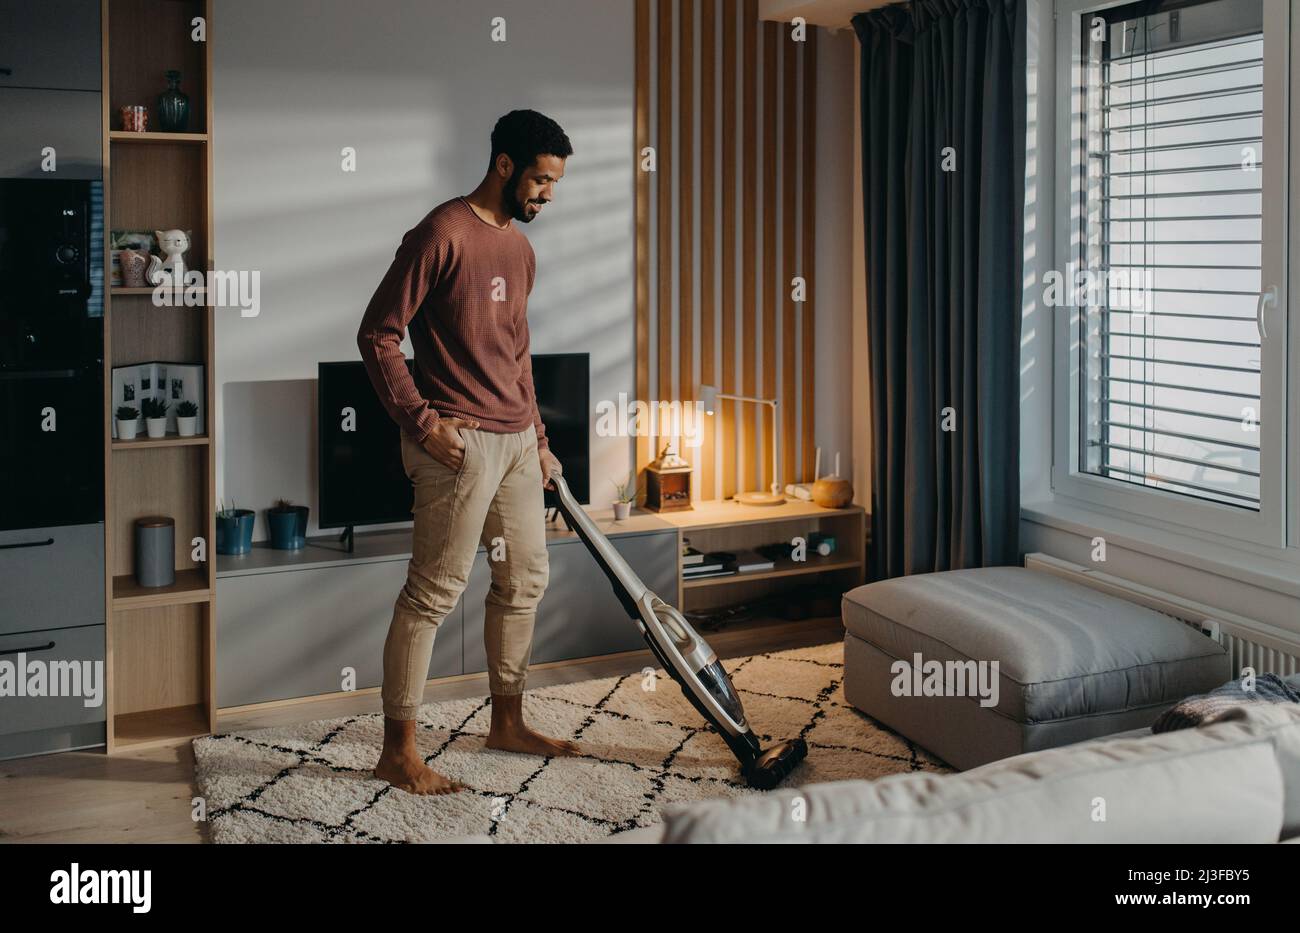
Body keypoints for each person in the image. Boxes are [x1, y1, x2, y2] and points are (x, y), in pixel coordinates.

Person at [357, 109, 577, 795]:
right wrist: (422, 423)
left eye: (555, 183)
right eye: (541, 179)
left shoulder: (520, 249)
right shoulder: (442, 232)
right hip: (458, 445)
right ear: (505, 165)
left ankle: (506, 722)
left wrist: (539, 441)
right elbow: (378, 334)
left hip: (515, 444)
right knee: (432, 594)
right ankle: (398, 752)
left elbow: (518, 354)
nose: (547, 194)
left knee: (524, 581)